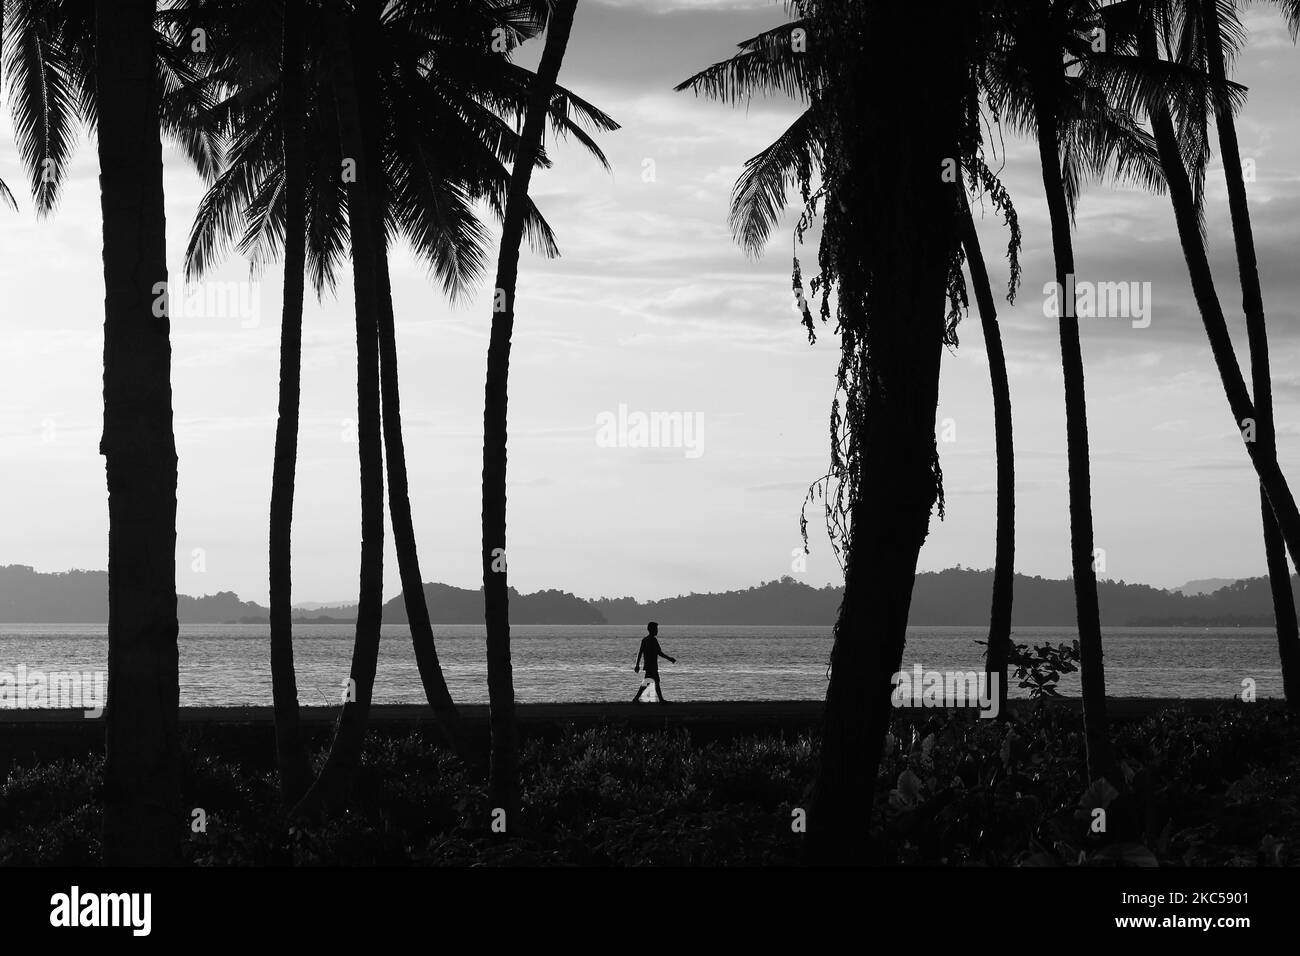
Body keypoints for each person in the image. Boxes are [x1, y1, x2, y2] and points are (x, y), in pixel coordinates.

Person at [633, 621, 676, 703]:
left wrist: (637, 665)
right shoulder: (653, 640)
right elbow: (659, 653)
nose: (657, 631)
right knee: (654, 681)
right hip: (652, 665)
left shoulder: (645, 640)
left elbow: (640, 652)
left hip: (648, 665)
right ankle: (660, 700)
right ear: (652, 630)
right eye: (656, 629)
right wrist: (669, 659)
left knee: (650, 682)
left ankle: (637, 699)